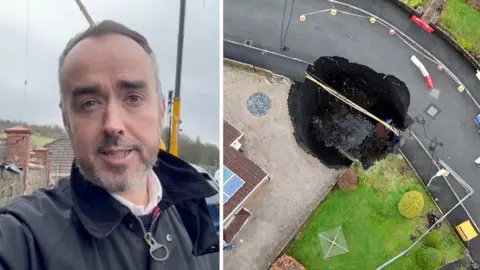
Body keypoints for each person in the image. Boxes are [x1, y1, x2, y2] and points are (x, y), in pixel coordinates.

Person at [0, 20, 219, 270]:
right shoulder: (25, 238)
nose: (113, 124)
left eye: (133, 98)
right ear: (66, 119)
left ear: (161, 111)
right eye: (89, 103)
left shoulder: (195, 213)